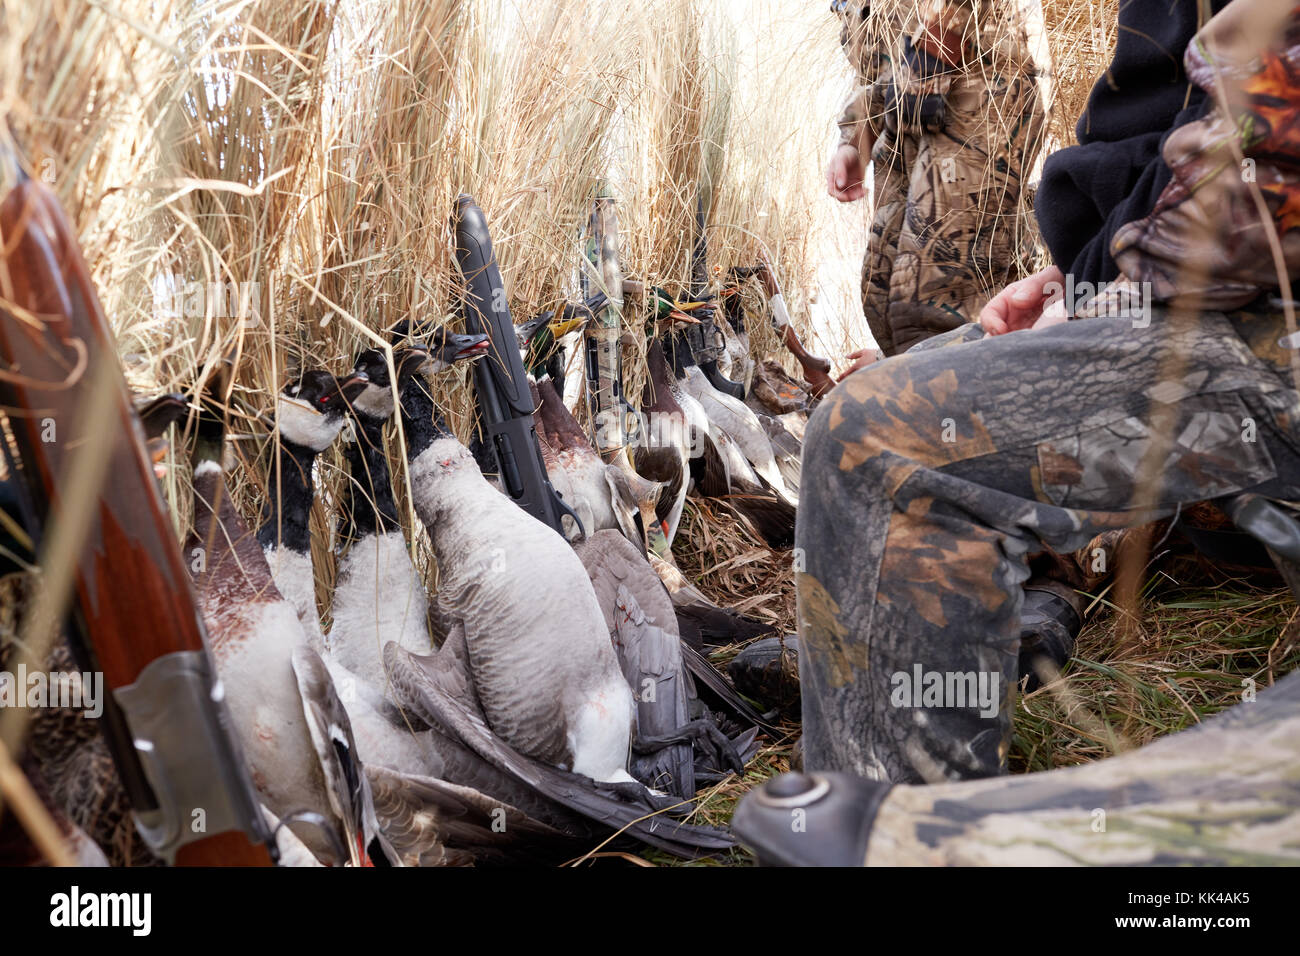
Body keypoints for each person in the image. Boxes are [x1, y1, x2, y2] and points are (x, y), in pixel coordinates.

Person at [798, 0, 1300, 783]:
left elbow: (1269, 151)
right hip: (1193, 273)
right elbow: (1166, 129)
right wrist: (1084, 273)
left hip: (1265, 302)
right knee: (879, 387)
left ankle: (907, 832)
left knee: (875, 442)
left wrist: (1119, 287)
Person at [827, 0, 1049, 371]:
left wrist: (939, 36)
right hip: (907, 109)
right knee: (884, 297)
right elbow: (879, 67)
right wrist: (855, 142)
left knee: (935, 304)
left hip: (974, 87)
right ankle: (917, 408)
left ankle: (964, 417)